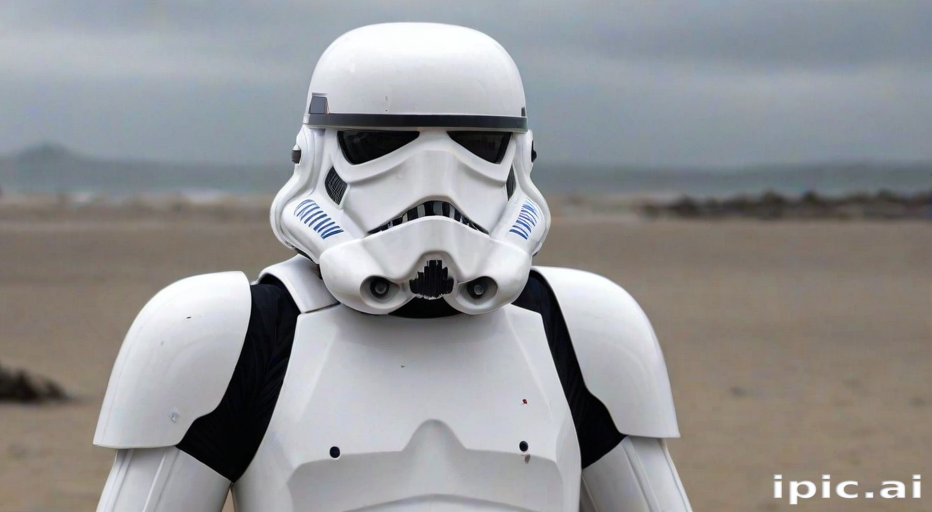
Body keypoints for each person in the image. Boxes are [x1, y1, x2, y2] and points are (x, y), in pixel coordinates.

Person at [92, 22, 694, 512]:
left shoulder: (583, 331)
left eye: (474, 146)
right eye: (380, 144)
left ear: (519, 159)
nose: (435, 181)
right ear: (314, 156)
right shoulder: (229, 335)